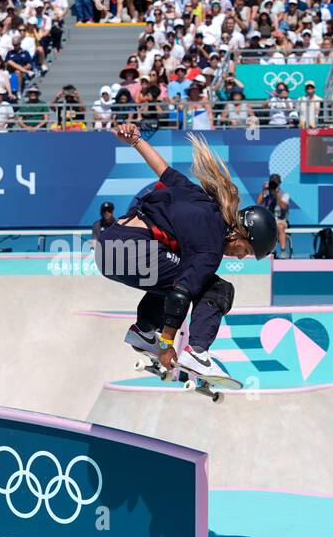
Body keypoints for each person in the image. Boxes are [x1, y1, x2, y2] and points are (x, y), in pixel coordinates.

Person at [95, 123, 274, 381]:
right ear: (239, 232)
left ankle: (144, 331)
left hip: (109, 245)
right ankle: (197, 351)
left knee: (179, 271)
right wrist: (167, 345)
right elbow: (180, 296)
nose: (240, 256)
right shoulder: (212, 243)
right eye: (245, 250)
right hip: (131, 250)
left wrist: (136, 141)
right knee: (214, 287)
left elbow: (163, 171)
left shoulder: (199, 197)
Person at [257, 173, 290, 257]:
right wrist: (263, 190)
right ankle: (268, 250)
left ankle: (283, 251)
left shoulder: (284, 194)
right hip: (269, 219)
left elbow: (283, 206)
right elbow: (259, 203)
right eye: (272, 182)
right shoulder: (266, 193)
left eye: (275, 183)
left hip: (280, 219)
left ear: (279, 184)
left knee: (280, 227)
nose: (273, 185)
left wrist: (276, 194)